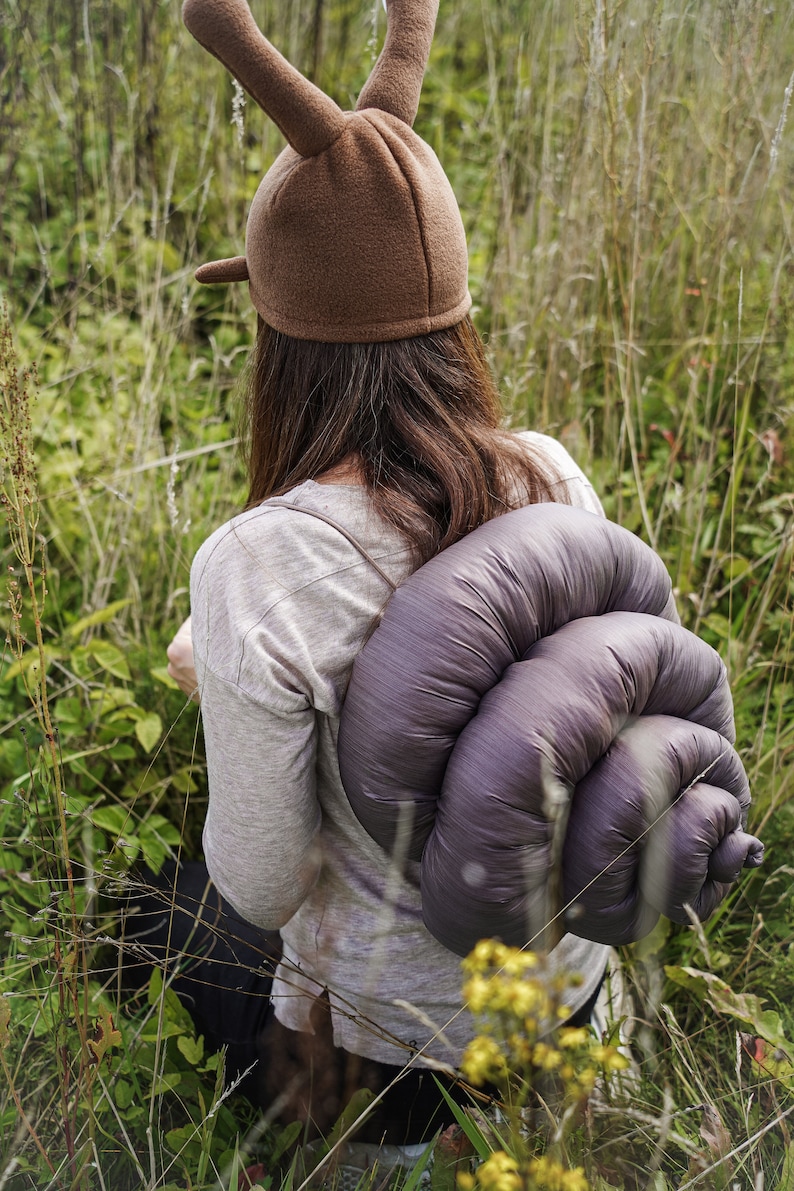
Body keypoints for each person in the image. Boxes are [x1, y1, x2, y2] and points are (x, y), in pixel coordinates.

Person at [145, 0, 611, 1146]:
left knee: (163, 904)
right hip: (566, 1011)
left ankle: (332, 1155)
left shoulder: (259, 560)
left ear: (277, 342)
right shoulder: (550, 474)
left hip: (384, 1056)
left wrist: (223, 687)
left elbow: (261, 883)